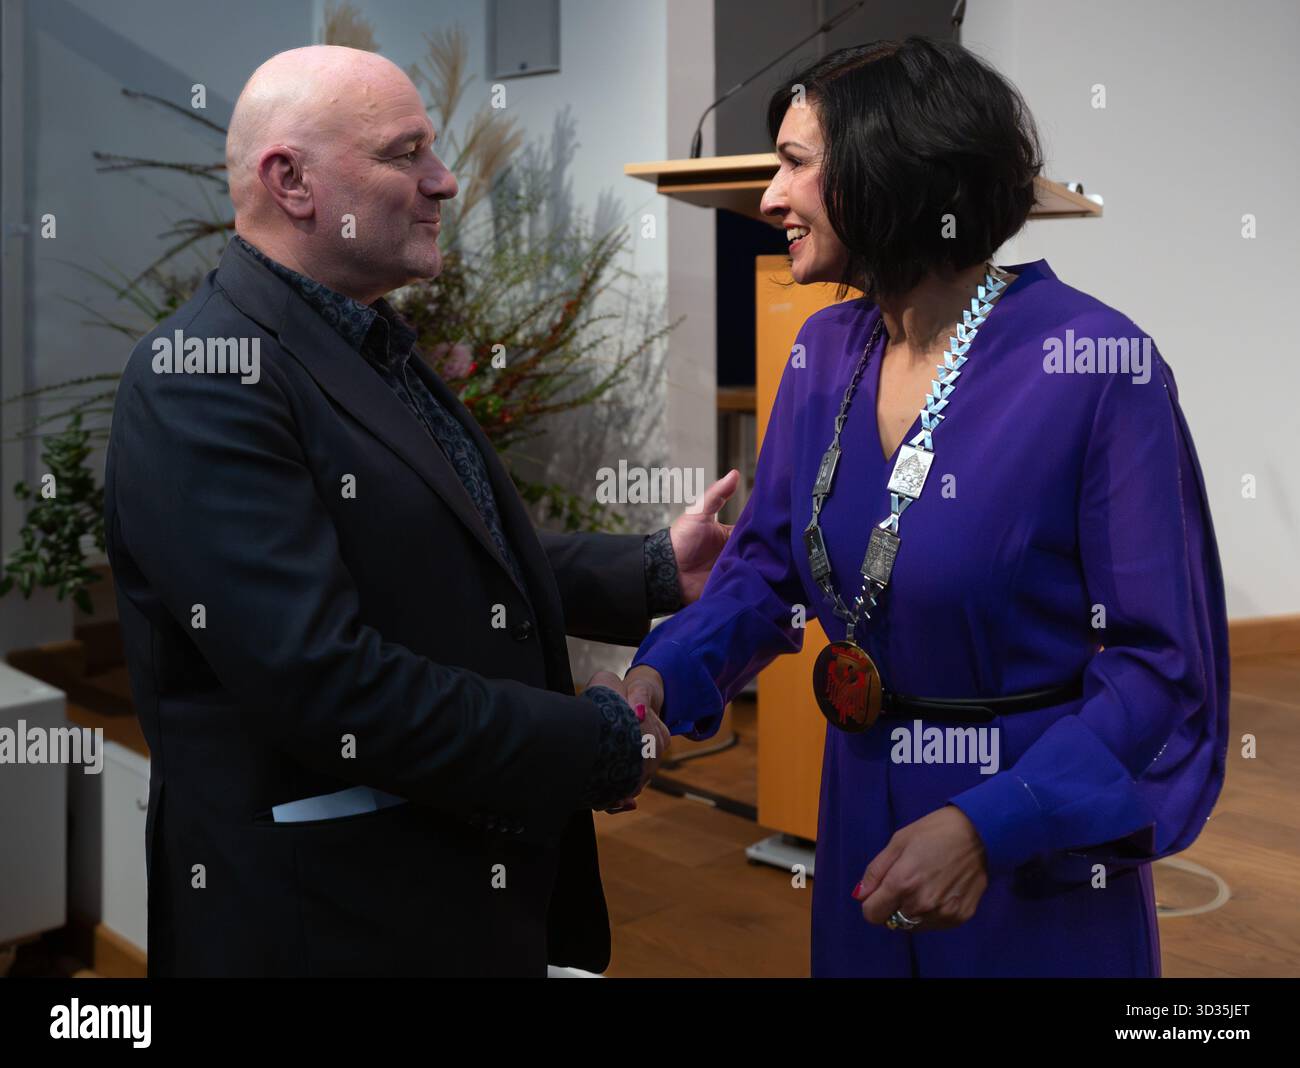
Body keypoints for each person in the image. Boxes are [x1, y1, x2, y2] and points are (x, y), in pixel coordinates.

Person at [104, 44, 737, 976]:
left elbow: (432, 559)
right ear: (294, 182)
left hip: (441, 891)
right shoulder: (203, 383)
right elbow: (328, 687)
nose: (444, 182)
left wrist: (646, 569)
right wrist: (596, 745)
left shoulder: (357, 333)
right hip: (330, 917)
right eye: (406, 155)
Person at [617, 37, 1229, 977]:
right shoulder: (825, 351)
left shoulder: (1098, 368)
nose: (770, 199)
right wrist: (659, 678)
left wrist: (997, 824)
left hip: (1023, 831)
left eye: (794, 164)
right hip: (861, 802)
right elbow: (767, 571)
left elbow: (1163, 669)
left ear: (893, 165)